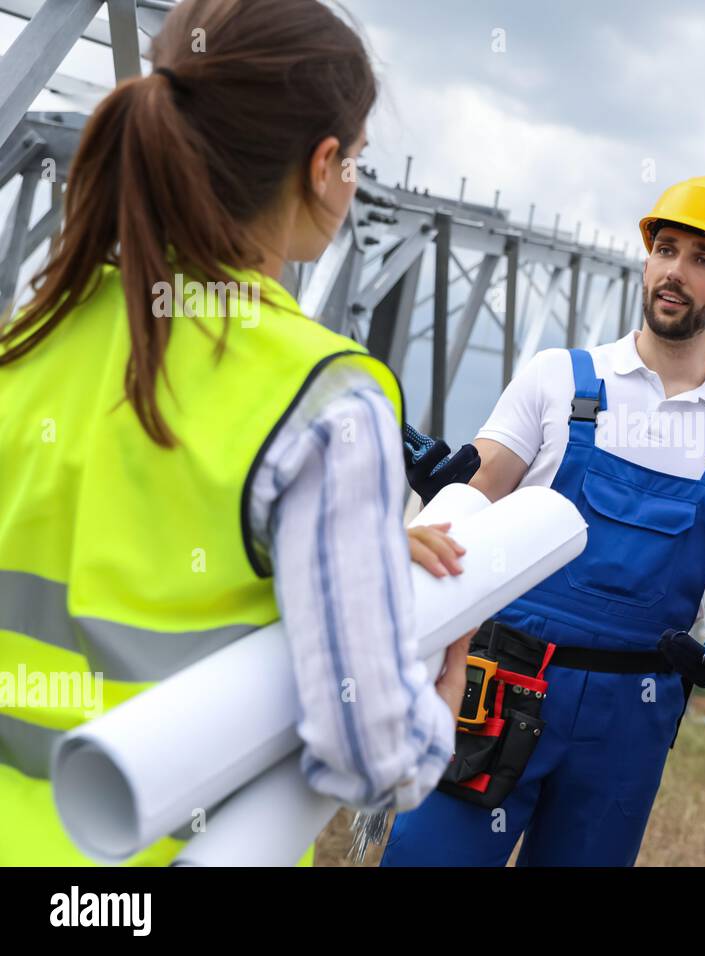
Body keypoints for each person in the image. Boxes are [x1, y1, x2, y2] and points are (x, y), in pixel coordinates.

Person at [0, 0, 467, 865]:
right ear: (324, 163)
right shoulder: (324, 399)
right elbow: (372, 755)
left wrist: (336, 549)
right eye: (356, 159)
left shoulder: (27, 336)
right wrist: (439, 691)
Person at [381, 176, 705, 866]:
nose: (675, 272)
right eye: (666, 249)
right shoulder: (558, 379)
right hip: (500, 690)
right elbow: (482, 484)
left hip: (631, 721)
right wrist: (447, 485)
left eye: (703, 260)